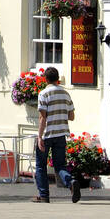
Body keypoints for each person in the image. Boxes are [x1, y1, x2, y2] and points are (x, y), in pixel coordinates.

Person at [33, 66, 80, 204]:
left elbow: (43, 118)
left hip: (48, 134)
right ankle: (71, 182)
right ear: (58, 79)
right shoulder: (66, 94)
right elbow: (71, 116)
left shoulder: (43, 94)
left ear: (45, 79)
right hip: (61, 134)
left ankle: (44, 195)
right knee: (60, 165)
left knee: (41, 165)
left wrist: (39, 137)